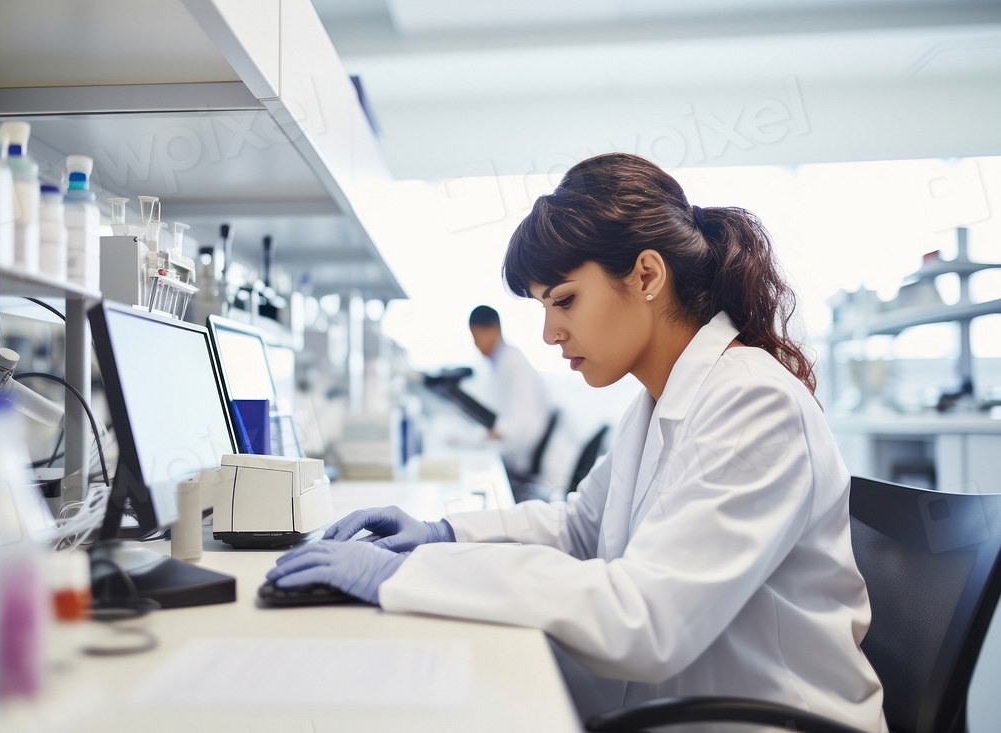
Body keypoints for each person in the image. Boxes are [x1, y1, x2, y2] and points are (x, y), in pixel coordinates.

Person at [267, 153, 887, 732]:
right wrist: (444, 534)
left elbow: (644, 622)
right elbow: (580, 530)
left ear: (647, 273)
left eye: (563, 300)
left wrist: (408, 574)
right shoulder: (659, 401)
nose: (548, 332)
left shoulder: (754, 402)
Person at [467, 305, 552, 479]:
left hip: (527, 458)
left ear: (494, 329)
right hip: (518, 452)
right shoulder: (499, 363)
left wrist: (478, 437)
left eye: (477, 336)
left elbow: (521, 425)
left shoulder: (513, 363)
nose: (476, 344)